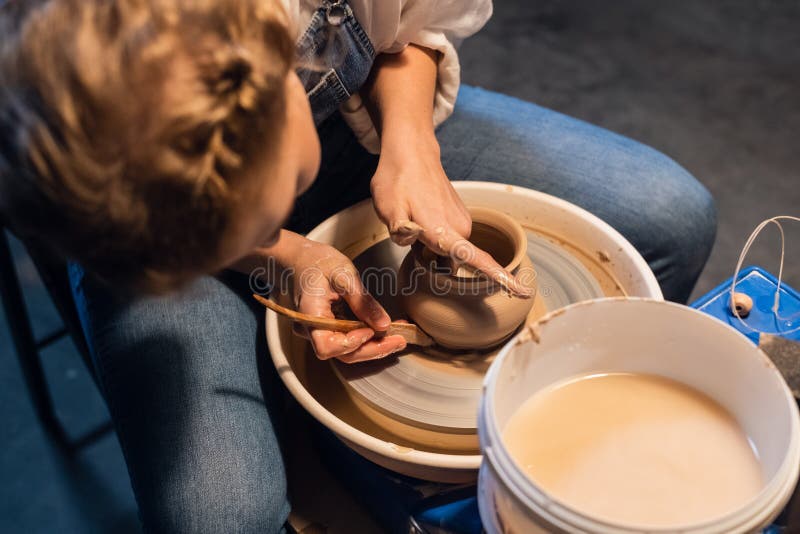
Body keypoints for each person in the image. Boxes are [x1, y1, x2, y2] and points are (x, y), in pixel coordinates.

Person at [0, 0, 716, 531]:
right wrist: (284, 251)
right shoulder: (53, 102)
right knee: (218, 515)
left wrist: (411, 147)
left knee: (673, 216)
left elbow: (405, 33)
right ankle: (303, 449)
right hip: (161, 223)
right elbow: (126, 237)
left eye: (282, 194)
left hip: (350, 122)